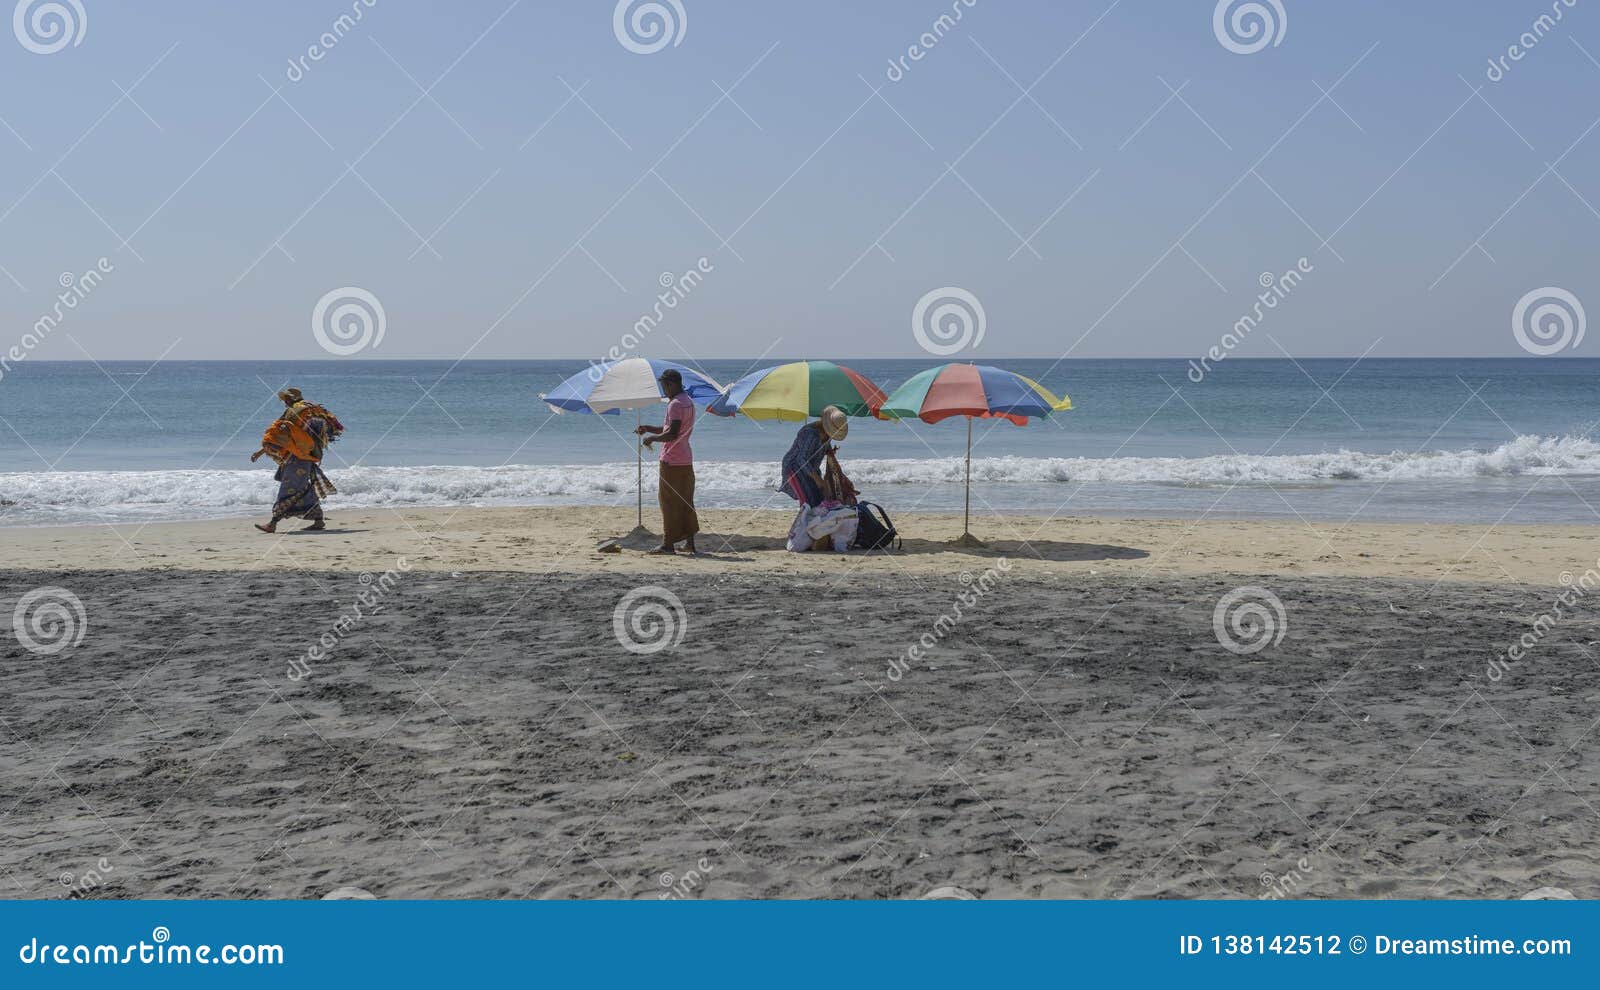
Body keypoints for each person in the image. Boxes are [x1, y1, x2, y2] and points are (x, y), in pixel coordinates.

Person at [250, 387, 343, 533]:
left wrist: (262, 450)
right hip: (310, 454)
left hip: (297, 456)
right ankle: (318, 520)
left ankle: (273, 523)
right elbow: (332, 429)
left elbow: (281, 435)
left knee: (289, 488)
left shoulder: (293, 411)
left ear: (290, 399)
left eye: (285, 399)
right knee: (304, 487)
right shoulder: (314, 409)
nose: (284, 402)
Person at [635, 369, 698, 555]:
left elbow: (672, 433)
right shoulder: (688, 402)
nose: (664, 390)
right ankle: (690, 543)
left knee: (668, 502)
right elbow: (668, 428)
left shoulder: (675, 404)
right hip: (685, 458)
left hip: (671, 460)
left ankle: (668, 545)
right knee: (686, 501)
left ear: (671, 384)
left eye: (664, 386)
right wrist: (648, 429)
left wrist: (651, 439)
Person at [779, 405, 849, 507]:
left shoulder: (826, 432)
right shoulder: (810, 433)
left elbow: (821, 446)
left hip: (811, 466)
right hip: (795, 468)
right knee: (810, 499)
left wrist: (829, 451)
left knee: (820, 497)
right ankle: (807, 520)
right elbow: (801, 459)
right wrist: (817, 479)